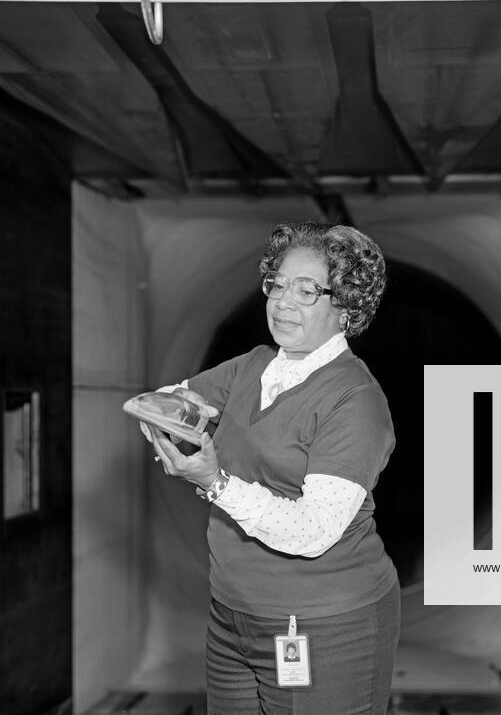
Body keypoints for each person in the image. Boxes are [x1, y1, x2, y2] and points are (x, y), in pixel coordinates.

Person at [144, 221, 399, 714]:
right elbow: (179, 399)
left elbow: (313, 530)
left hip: (327, 623)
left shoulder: (356, 400)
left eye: (306, 291)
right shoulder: (252, 366)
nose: (283, 302)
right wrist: (163, 413)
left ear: (345, 306)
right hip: (232, 616)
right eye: (278, 285)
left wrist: (213, 482)